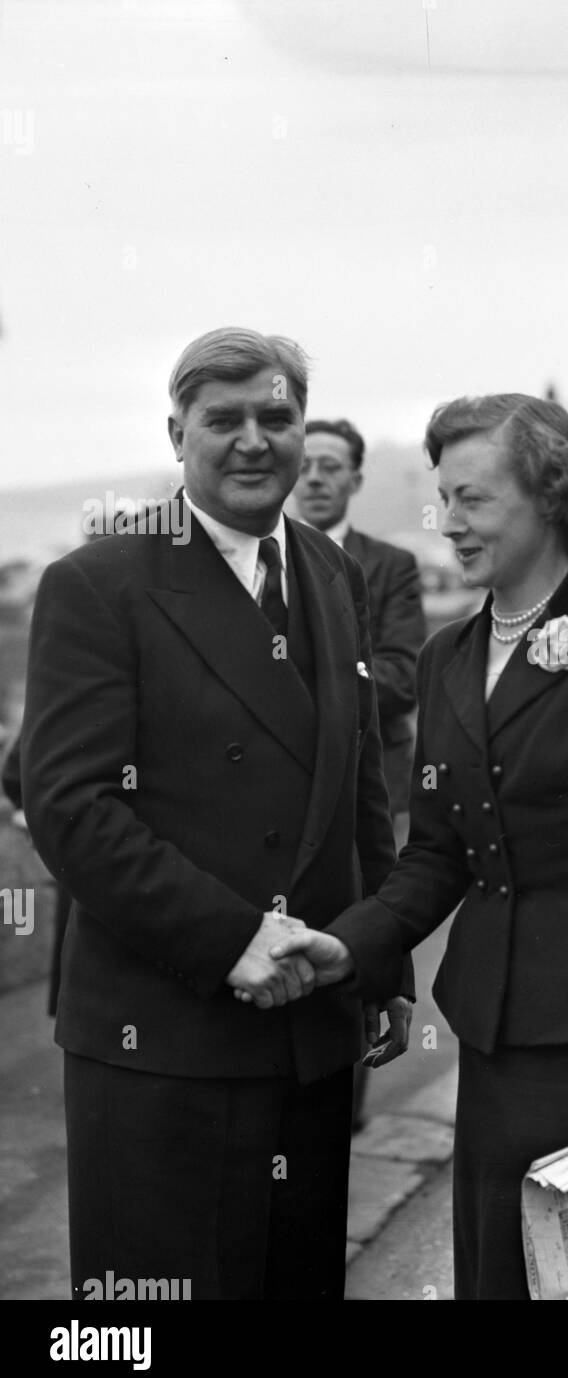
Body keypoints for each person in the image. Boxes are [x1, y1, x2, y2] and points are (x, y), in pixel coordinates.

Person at [251, 393, 568, 1300]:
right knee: (501, 1278)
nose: (450, 524)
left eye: (474, 500)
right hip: (497, 1038)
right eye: (442, 500)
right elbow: (436, 853)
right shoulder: (447, 657)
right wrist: (351, 943)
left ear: (550, 499)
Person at [21, 327, 410, 1301]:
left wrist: (379, 959)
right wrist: (230, 937)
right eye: (222, 419)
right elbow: (67, 803)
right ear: (176, 433)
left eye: (275, 417)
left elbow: (356, 782)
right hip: (166, 1039)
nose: (252, 440)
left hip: (311, 1026)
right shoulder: (99, 584)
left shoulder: (330, 571)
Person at [294, 418, 427, 1133]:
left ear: (354, 480)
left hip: (363, 782)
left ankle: (342, 1106)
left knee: (355, 917)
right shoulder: (263, 566)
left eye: (330, 466)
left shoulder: (389, 566)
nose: (314, 477)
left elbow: (402, 677)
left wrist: (319, 685)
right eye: (306, 463)